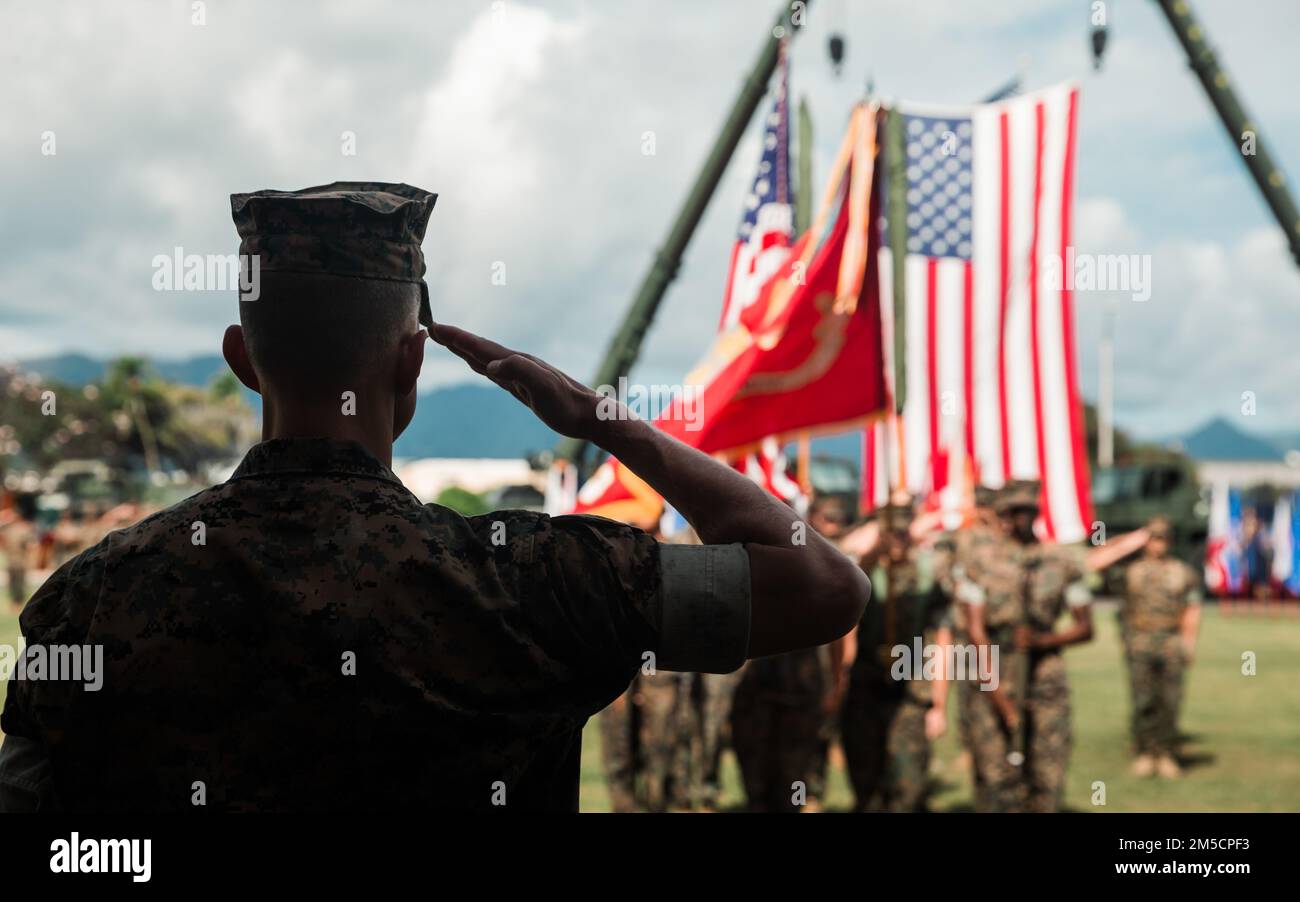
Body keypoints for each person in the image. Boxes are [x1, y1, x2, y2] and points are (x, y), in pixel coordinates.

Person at [0, 182, 869, 812]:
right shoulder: (530, 583)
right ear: (414, 363)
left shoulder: (90, 596)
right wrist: (604, 419)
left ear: (241, 359)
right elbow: (824, 587)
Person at [960, 480, 1093, 813]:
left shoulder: (1059, 560)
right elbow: (976, 633)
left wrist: (1043, 640)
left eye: (1026, 511)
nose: (1020, 519)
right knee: (995, 776)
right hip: (995, 671)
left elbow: (1085, 626)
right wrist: (1000, 696)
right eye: (1013, 511)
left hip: (1045, 676)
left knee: (1047, 773)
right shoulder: (981, 561)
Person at [729, 493, 845, 813]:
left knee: (791, 787)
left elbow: (839, 631)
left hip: (799, 696)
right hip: (756, 696)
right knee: (756, 789)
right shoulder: (745, 565)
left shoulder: (817, 568)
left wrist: (835, 683)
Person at [838, 498, 950, 812]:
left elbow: (942, 640)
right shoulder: (864, 571)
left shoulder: (928, 573)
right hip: (865, 689)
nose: (897, 541)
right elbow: (846, 610)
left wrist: (938, 704)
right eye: (891, 534)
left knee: (909, 787)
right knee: (866, 785)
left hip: (910, 693)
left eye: (903, 533)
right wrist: (874, 555)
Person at [1120, 516, 1201, 779]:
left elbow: (1192, 609)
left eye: (1163, 538)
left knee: (1170, 699)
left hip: (1170, 640)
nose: (1158, 544)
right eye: (1153, 538)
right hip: (1140, 640)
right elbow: (1097, 565)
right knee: (1143, 698)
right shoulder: (1130, 571)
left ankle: (1165, 753)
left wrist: (1189, 642)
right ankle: (1145, 751)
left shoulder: (1182, 571)